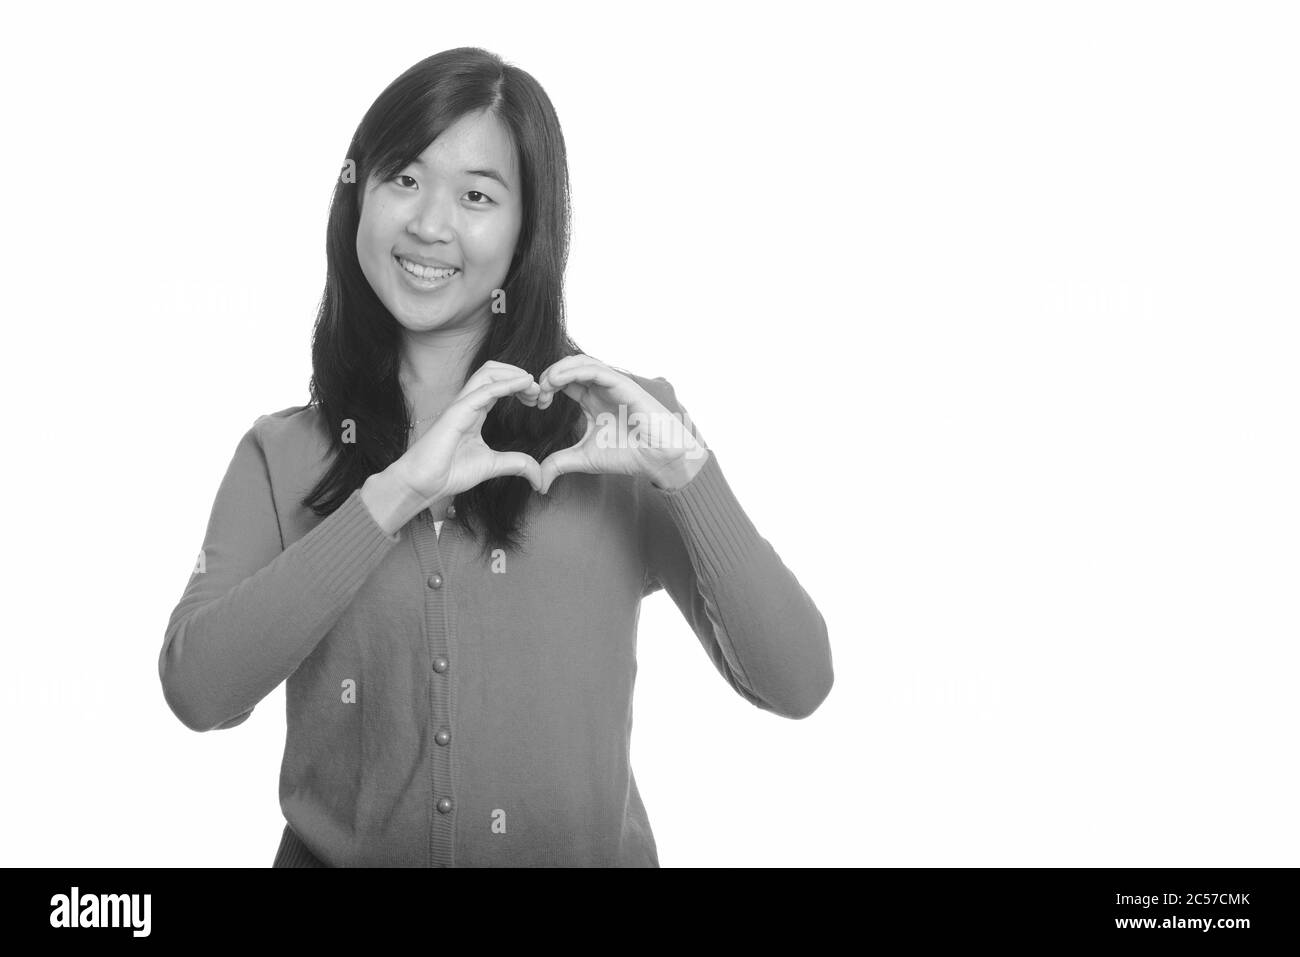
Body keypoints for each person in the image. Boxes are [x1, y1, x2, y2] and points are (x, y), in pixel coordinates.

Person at [159, 46, 833, 868]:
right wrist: (394, 494)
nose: (430, 223)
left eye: (477, 195)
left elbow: (797, 682)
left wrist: (690, 473)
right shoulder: (283, 452)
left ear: (527, 229)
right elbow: (199, 692)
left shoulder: (616, 431)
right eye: (403, 177)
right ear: (357, 196)